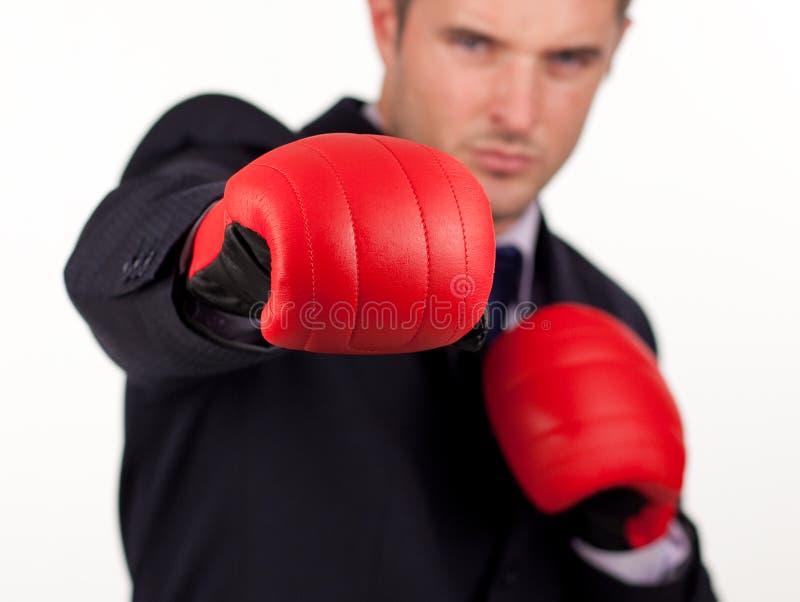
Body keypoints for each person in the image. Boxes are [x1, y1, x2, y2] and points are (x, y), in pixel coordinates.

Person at [65, 0, 717, 599]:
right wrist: (221, 258)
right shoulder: (249, 176)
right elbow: (119, 266)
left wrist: (632, 548)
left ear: (614, 50)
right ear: (387, 23)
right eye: (473, 43)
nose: (519, 112)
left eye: (568, 59)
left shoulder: (609, 312)